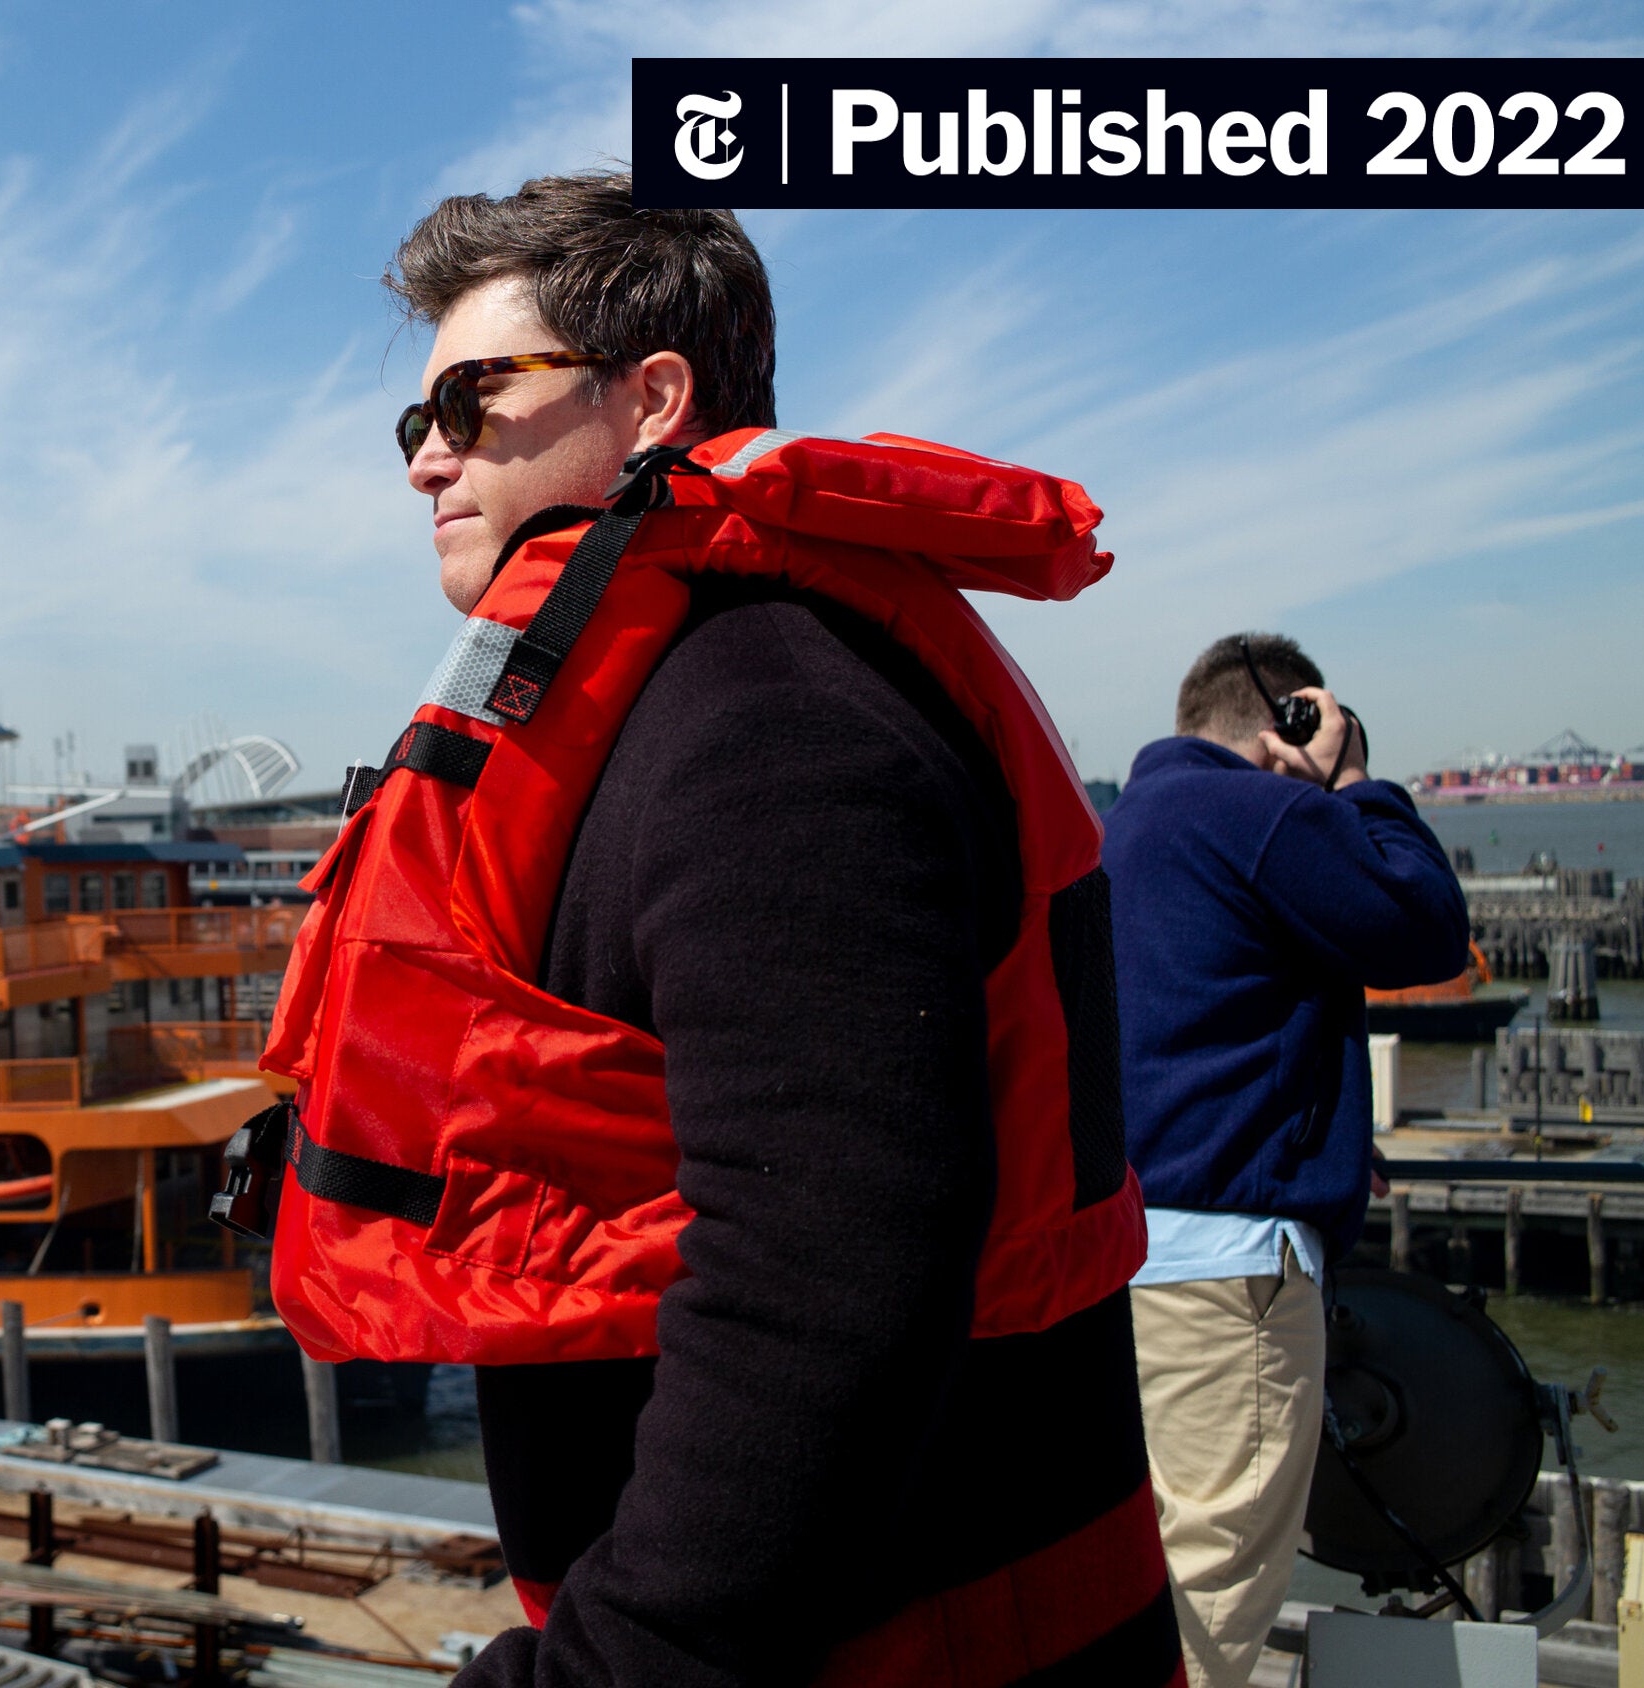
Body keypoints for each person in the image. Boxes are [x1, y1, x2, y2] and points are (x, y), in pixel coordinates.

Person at [232, 171, 1178, 1683]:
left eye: (471, 401)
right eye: (413, 424)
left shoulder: (772, 727)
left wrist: (620, 1662)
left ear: (655, 396)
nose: (426, 461)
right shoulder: (698, 691)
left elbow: (825, 1270)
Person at [1105, 634, 1468, 1685]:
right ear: (1287, 727)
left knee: (1134, 1575)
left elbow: (1206, 1030)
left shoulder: (1125, 828)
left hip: (1123, 1265)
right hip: (1232, 1280)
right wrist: (1358, 781)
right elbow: (1424, 927)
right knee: (1209, 1608)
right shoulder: (1261, 811)